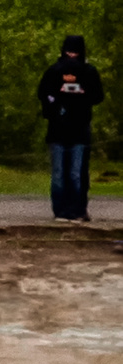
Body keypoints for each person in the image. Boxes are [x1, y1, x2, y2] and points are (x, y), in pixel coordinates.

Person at [37, 35, 105, 223]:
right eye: (69, 51)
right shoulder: (54, 71)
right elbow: (43, 94)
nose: (72, 56)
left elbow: (98, 96)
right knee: (58, 173)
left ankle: (78, 209)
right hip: (58, 130)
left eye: (75, 52)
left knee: (77, 173)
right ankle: (60, 210)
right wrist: (56, 103)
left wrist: (83, 94)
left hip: (80, 131)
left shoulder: (89, 72)